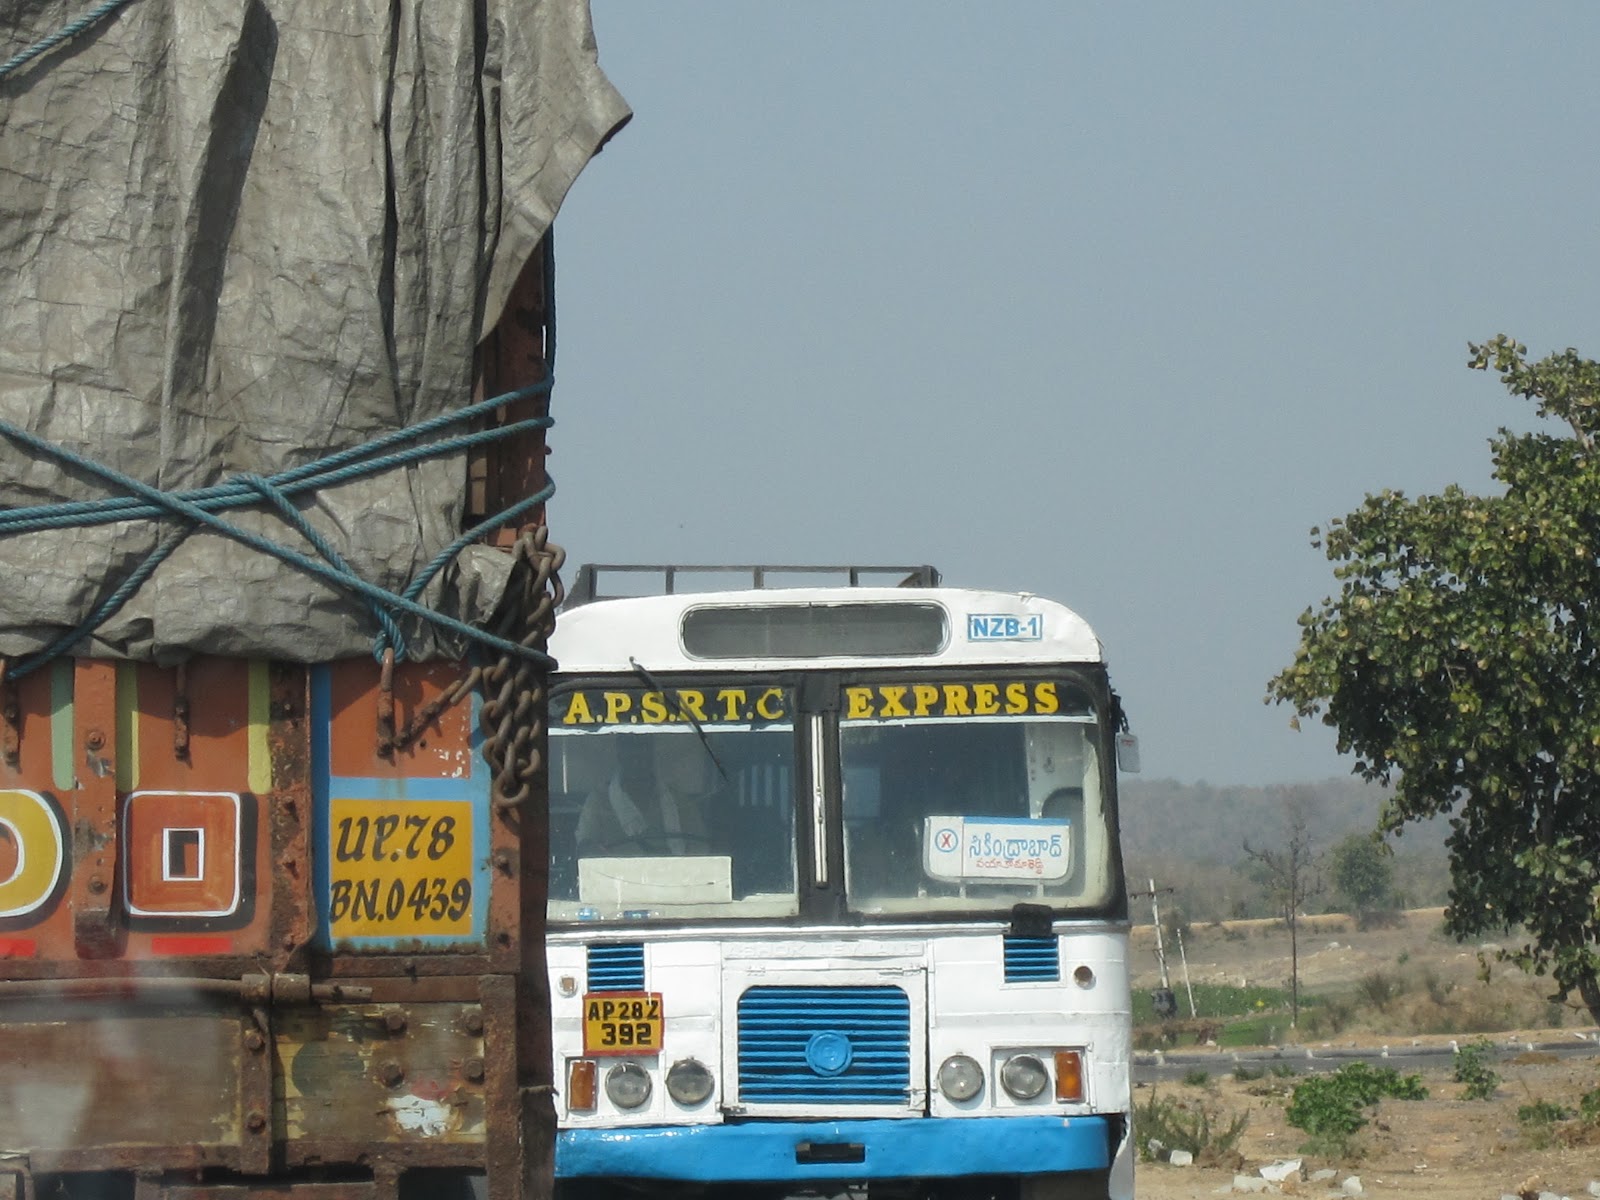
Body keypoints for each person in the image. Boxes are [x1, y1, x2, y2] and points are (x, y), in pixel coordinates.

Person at [575, 734, 722, 856]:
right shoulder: (599, 800)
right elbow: (586, 848)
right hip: (617, 886)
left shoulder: (678, 800)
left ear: (650, 755)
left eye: (641, 752)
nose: (637, 760)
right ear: (620, 755)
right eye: (630, 752)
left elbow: (700, 848)